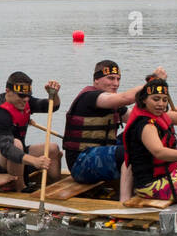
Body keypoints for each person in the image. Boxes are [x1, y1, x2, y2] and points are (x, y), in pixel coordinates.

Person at [63, 60, 166, 199]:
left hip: (101, 154)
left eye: (118, 79)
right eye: (111, 78)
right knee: (132, 152)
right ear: (96, 80)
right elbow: (126, 98)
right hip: (80, 163)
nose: (116, 83)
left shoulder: (114, 104)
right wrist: (154, 82)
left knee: (143, 134)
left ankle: (151, 184)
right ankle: (125, 200)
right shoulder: (90, 97)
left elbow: (139, 118)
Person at [0, 72, 62, 192]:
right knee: (16, 144)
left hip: (13, 155)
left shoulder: (25, 101)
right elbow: (8, 148)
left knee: (53, 149)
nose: (25, 99)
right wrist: (34, 161)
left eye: (28, 95)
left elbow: (52, 106)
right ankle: (20, 189)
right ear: (7, 91)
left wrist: (53, 95)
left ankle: (55, 188)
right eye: (21, 96)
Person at [122, 75, 177, 204]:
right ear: (144, 100)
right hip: (149, 184)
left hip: (167, 175)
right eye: (156, 99)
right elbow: (159, 152)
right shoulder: (146, 125)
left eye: (164, 100)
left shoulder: (161, 115)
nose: (161, 104)